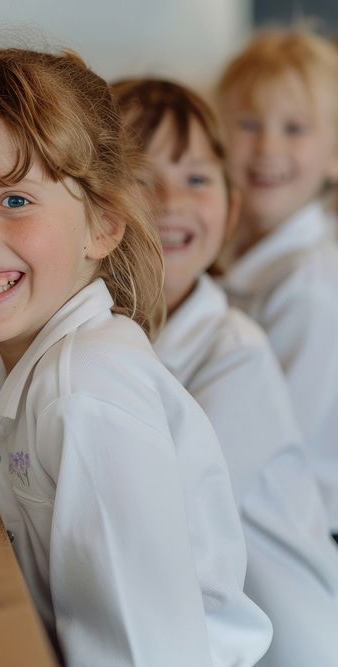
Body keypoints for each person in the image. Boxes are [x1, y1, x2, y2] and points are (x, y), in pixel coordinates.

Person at [0, 48, 271, 665]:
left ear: (102, 226)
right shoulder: (38, 360)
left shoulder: (87, 392)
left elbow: (145, 653)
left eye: (16, 200)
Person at [114, 77, 338, 667]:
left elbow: (159, 522)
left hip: (290, 647)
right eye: (141, 178)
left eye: (196, 179)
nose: (170, 201)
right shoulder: (104, 324)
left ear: (230, 208)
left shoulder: (238, 355)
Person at [215, 29, 338, 535]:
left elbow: (271, 441)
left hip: (300, 531)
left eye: (294, 128)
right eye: (248, 124)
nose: (268, 146)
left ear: (334, 156)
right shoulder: (237, 256)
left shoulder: (309, 284)